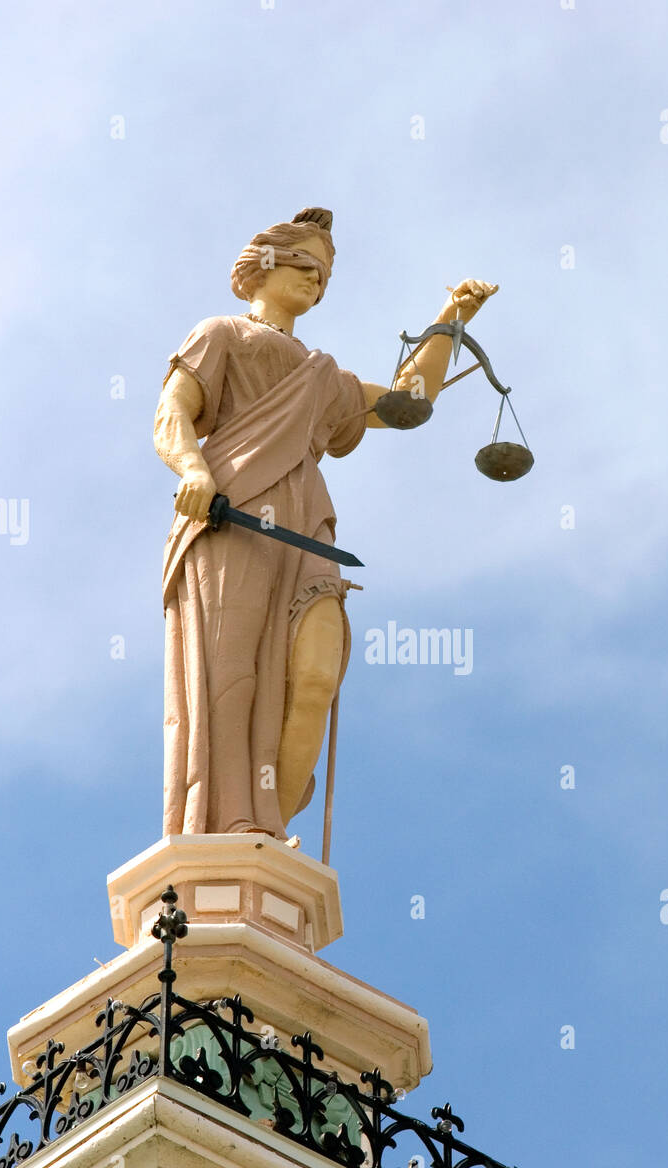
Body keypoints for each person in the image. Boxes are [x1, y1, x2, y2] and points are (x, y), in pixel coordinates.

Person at [153, 206, 497, 841]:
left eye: (327, 272)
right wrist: (193, 473)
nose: (318, 278)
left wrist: (449, 323)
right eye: (307, 264)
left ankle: (264, 829)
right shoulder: (222, 333)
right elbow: (173, 409)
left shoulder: (324, 376)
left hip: (305, 529)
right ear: (264, 264)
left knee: (315, 676)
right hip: (232, 518)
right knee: (231, 682)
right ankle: (228, 830)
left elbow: (406, 407)